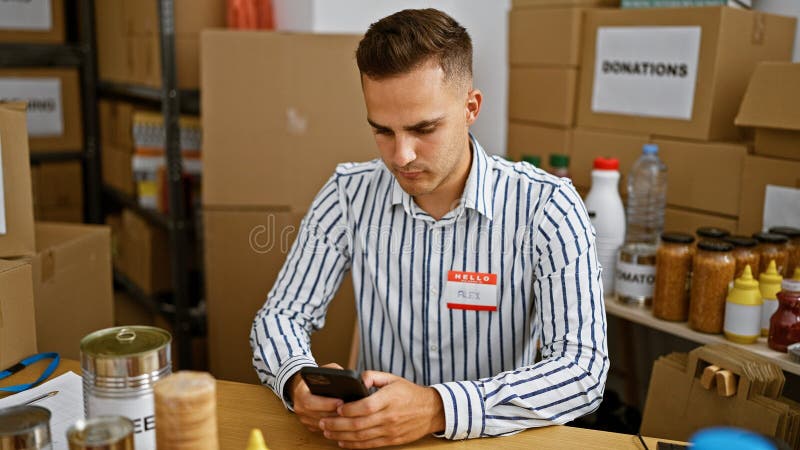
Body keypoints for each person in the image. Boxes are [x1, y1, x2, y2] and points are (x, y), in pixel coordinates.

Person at [251, 8, 608, 449]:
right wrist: (295, 381)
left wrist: (438, 408)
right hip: (375, 440)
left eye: (424, 129)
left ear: (470, 108)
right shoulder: (349, 193)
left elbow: (582, 370)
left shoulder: (547, 207)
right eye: (383, 131)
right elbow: (279, 317)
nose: (401, 156)